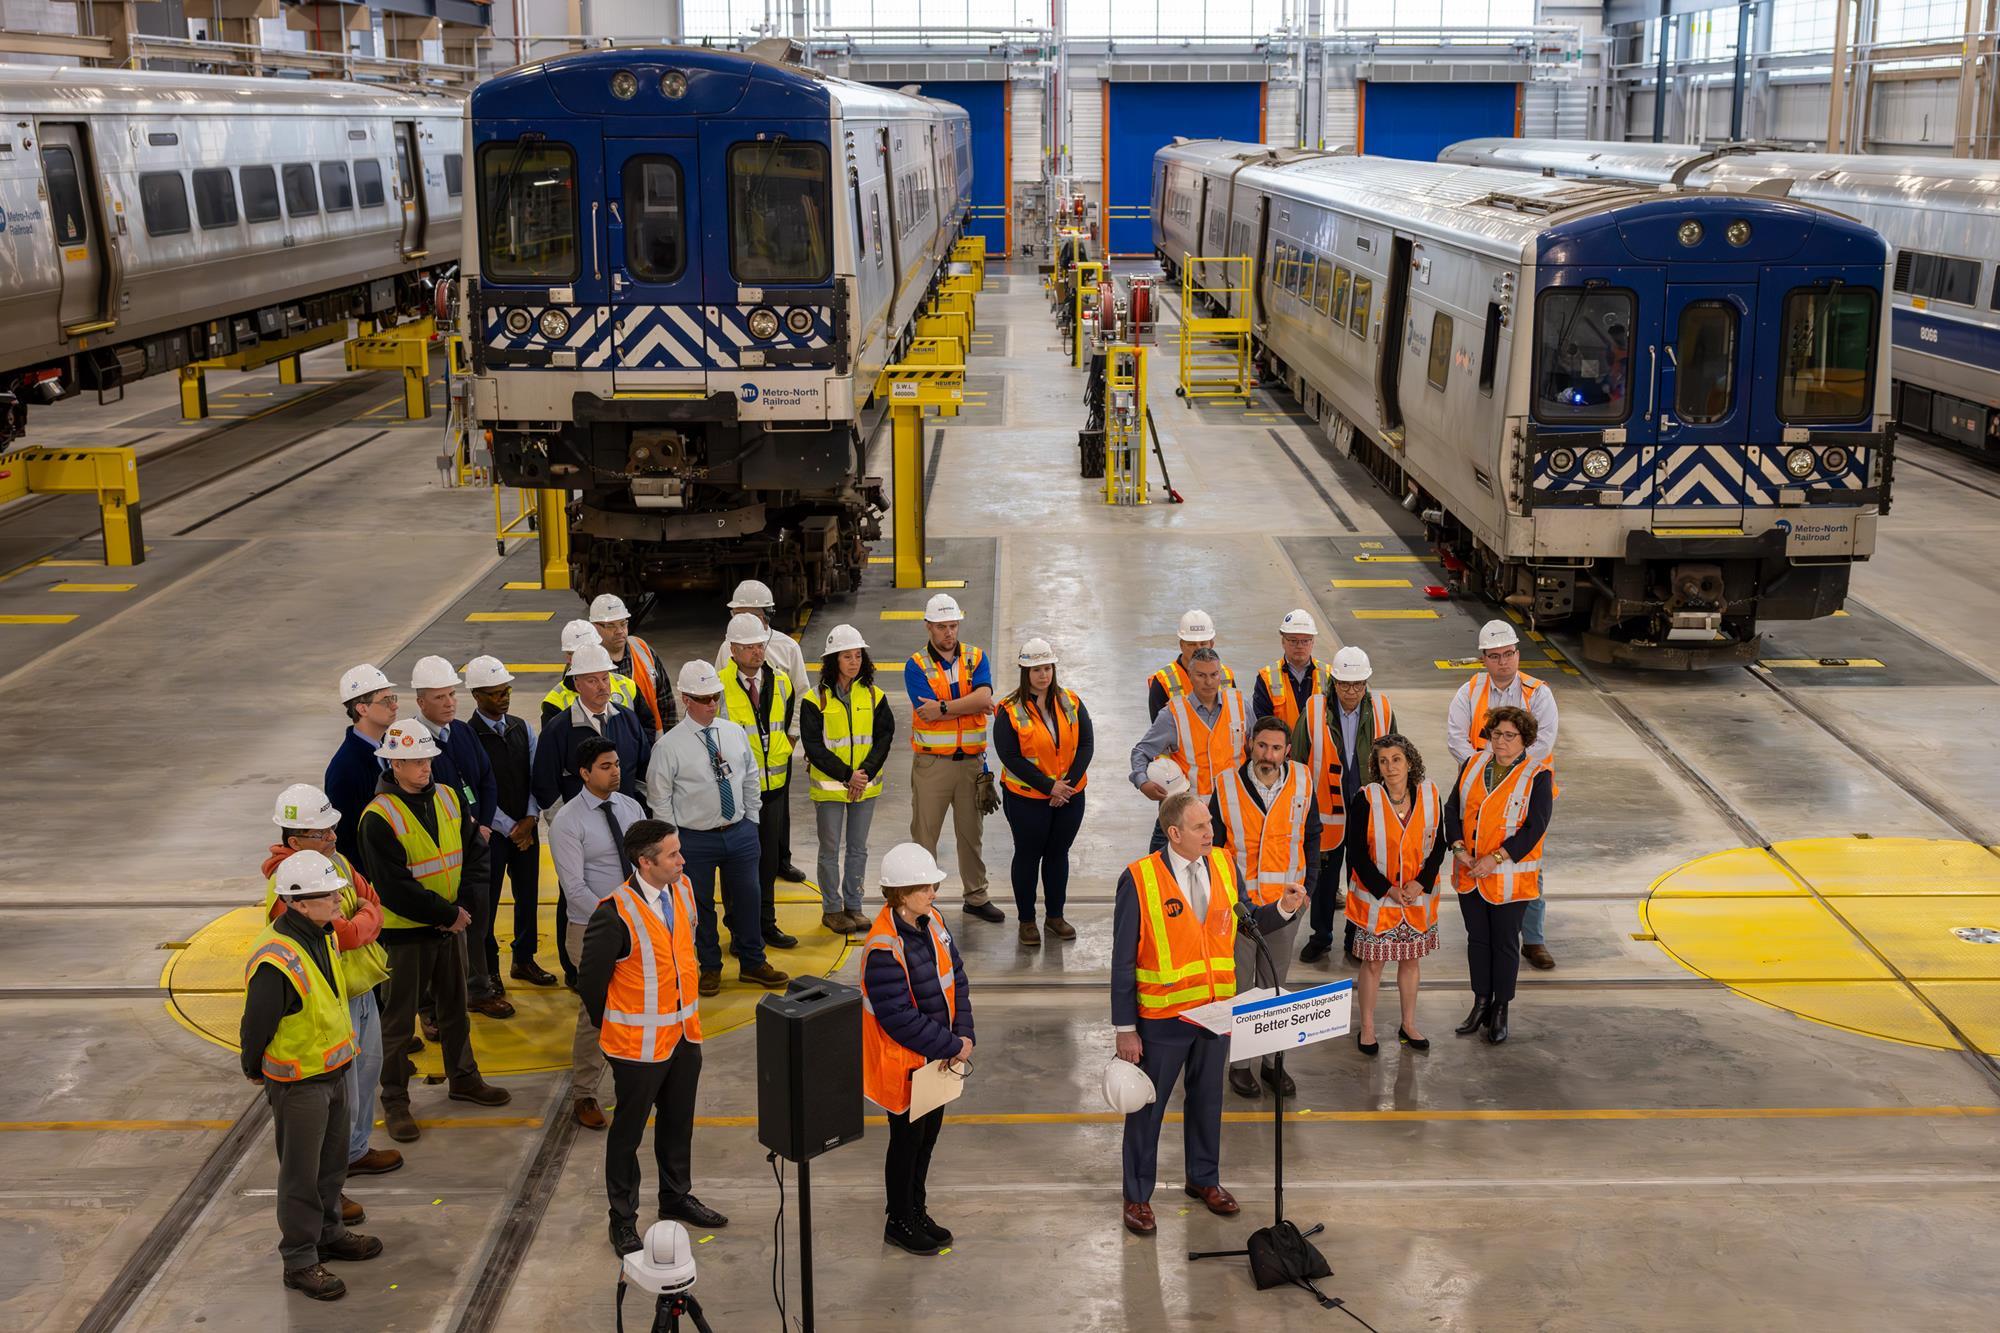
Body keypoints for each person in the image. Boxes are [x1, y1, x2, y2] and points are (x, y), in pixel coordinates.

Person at [1112, 793, 1307, 1237]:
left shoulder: (1222, 863)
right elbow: (1122, 958)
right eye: (1200, 827)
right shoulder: (1139, 879)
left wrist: (1283, 909)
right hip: (1162, 1019)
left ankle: (1203, 1178)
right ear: (1174, 833)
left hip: (1215, 1012)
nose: (1210, 833)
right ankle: (1137, 1195)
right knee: (1147, 1109)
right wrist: (1126, 1028)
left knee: (1207, 1101)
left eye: (1210, 825)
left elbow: (1244, 919)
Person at [579, 819, 727, 1256]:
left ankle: (675, 1196)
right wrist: (615, 1027)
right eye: (672, 854)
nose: (683, 859)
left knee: (678, 1122)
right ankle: (622, 1219)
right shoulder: (614, 913)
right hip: (636, 1047)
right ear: (646, 862)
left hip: (684, 1036)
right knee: (627, 1134)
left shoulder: (681, 891)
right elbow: (591, 983)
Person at [359, 719, 511, 1144]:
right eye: (414, 760)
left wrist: (461, 909)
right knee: (397, 1022)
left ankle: (463, 1078)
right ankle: (394, 1100)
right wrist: (447, 914)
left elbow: (475, 854)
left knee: (455, 1008)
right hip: (406, 934)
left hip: (451, 926)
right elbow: (393, 887)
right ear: (393, 763)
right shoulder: (378, 817)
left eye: (427, 757)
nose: (425, 766)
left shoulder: (447, 797)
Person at [240, 851, 383, 1301]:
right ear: (299, 903)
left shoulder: (321, 935)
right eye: (330, 897)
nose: (341, 903)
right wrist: (252, 1068)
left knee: (331, 1164)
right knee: (301, 1174)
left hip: (335, 1070)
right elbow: (256, 1024)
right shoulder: (275, 958)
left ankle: (328, 1232)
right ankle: (300, 1259)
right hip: (300, 1082)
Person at [260, 785, 401, 1228]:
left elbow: (372, 903)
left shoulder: (334, 861)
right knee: (330, 1106)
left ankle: (354, 1153)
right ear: (296, 839)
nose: (334, 837)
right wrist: (363, 920)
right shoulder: (287, 882)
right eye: (322, 832)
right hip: (329, 1003)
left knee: (363, 1078)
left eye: (332, 827)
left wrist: (363, 918)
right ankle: (328, 1191)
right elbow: (346, 934)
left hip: (359, 987)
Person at [646, 661, 790, 995]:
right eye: (704, 698)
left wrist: (750, 820)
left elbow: (750, 777)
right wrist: (674, 843)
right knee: (700, 907)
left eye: (716, 696)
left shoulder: (734, 732)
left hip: (739, 831)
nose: (712, 703)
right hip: (693, 840)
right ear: (685, 699)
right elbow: (660, 798)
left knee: (749, 899)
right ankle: (709, 966)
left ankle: (753, 962)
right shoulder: (669, 747)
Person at [861, 843, 974, 1256]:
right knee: (906, 1144)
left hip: (938, 1060)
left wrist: (964, 1032)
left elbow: (955, 977)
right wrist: (953, 1044)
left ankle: (917, 1208)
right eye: (925, 887)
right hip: (906, 1066)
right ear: (900, 894)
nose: (934, 893)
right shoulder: (883, 948)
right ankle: (899, 1220)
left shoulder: (934, 921)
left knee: (926, 1141)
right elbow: (898, 1018)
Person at [1210, 715, 1319, 1098]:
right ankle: (1240, 1068)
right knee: (1241, 990)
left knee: (1274, 988)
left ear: (1287, 751)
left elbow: (1312, 836)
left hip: (1286, 908)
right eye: (1261, 746)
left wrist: (1308, 891)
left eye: (1275, 748)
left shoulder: (1304, 780)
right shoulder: (1225, 785)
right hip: (1241, 910)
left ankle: (1273, 1063)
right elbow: (1212, 847)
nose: (1267, 755)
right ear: (1250, 745)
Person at [1445, 619, 1559, 970]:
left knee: (1526, 859)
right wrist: (1482, 771)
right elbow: (1455, 736)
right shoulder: (1470, 691)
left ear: (1517, 653)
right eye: (1494, 656)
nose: (1503, 662)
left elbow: (1544, 742)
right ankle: (1486, 920)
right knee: (1482, 853)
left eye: (1508, 654)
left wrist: (1512, 773)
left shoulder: (1538, 692)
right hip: (1481, 792)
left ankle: (1534, 939)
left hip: (1527, 792)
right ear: (1483, 659)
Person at [548, 736, 647, 1130]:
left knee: (637, 1003)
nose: (616, 771)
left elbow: (644, 864)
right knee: (595, 1012)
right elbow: (575, 889)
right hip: (591, 929)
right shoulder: (568, 822)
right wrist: (618, 919)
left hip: (635, 923)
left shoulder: (630, 807)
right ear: (585, 774)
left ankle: (635, 1078)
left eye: (617, 764)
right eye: (605, 766)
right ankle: (584, 1093)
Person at [1444, 705, 1554, 1046]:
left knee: (1505, 944)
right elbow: (1451, 810)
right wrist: (1459, 849)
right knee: (1478, 941)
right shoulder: (1473, 764)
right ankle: (1480, 1003)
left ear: (1525, 740)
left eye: (1510, 736)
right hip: (1470, 875)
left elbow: (1535, 828)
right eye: (1496, 734)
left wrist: (1495, 858)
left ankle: (1501, 1007)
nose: (1501, 741)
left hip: (1509, 881)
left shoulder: (1537, 776)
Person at [410, 655, 510, 1018]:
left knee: (478, 920)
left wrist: (483, 825)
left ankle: (478, 990)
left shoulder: (463, 732)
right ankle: (431, 1008)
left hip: (474, 845)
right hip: (438, 855)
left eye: (452, 694)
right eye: (439, 697)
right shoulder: (413, 743)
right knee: (438, 928)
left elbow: (486, 780)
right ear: (421, 702)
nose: (450, 702)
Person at [903, 591, 1003, 923]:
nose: (949, 633)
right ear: (928, 627)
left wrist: (946, 707)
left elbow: (984, 696)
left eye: (953, 626)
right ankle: (920, 902)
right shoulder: (916, 665)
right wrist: (971, 702)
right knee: (925, 837)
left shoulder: (977, 657)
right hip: (933, 766)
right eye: (942, 626)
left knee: (970, 835)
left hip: (971, 765)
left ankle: (976, 896)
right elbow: (927, 712)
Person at [1292, 645, 1396, 966]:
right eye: (1344, 684)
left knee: (1360, 876)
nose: (1351, 691)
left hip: (1367, 812)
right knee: (1324, 880)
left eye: (1358, 684)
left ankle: (1355, 937)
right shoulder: (1313, 710)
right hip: (1325, 813)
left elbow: (1394, 760)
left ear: (1366, 683)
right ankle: (1320, 936)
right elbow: (1296, 761)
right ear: (1333, 681)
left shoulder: (1381, 709)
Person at [1343, 734, 1446, 1055]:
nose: (1390, 767)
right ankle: (1369, 1027)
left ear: (1410, 762)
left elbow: (1439, 844)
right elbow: (1356, 852)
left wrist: (1421, 883)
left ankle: (1409, 1024)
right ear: (1376, 767)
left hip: (1416, 901)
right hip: (1378, 902)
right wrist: (1387, 889)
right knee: (1373, 965)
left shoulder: (1430, 794)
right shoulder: (1366, 799)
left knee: (1411, 962)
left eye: (1396, 759)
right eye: (1383, 761)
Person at [465, 656, 558, 990]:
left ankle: (524, 959)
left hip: (526, 831)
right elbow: (472, 791)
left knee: (528, 896)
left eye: (506, 691)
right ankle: (489, 970)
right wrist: (510, 827)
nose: (503, 698)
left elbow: (536, 775)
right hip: (491, 836)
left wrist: (531, 819)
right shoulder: (468, 737)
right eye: (493, 693)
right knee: (486, 905)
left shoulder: (522, 727)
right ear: (476, 695)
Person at [993, 637, 1093, 946]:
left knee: (1057, 855)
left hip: (1069, 797)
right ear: (1025, 671)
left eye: (1047, 668)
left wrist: (1067, 786)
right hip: (1027, 800)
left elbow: (1086, 744)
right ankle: (1026, 921)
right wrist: (1050, 786)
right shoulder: (1009, 710)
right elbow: (1010, 756)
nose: (1043, 675)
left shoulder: (1071, 702)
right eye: (1036, 669)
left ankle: (1055, 917)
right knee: (1027, 856)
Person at [799, 624, 893, 935]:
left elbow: (883, 737)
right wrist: (847, 775)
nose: (853, 662)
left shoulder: (874, 695)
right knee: (829, 849)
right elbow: (814, 746)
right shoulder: (815, 700)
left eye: (857, 656)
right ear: (833, 661)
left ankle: (854, 905)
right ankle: (832, 909)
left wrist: (862, 773)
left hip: (863, 787)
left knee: (858, 848)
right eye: (846, 656)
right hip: (830, 789)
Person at [714, 579, 811, 881]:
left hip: (777, 747)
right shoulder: (726, 648)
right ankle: (751, 863)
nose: (738, 618)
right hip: (742, 752)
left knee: (779, 812)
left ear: (764, 614)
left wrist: (792, 737)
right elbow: (721, 693)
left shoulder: (787, 647)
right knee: (746, 812)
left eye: (745, 612)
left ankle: (781, 860)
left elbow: (801, 693)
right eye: (735, 613)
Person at [719, 612, 800, 953]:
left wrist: (784, 751)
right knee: (738, 862)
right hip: (738, 792)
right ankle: (739, 928)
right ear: (733, 649)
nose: (757, 652)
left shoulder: (780, 681)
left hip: (774, 788)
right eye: (749, 646)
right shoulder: (719, 686)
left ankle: (767, 923)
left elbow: (787, 720)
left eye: (760, 645)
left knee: (767, 862)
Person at [1128, 647, 1247, 854]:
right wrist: (1142, 782)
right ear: (1190, 676)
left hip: (1233, 811)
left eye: (1214, 675)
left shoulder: (1240, 706)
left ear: (1221, 674)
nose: (1209, 682)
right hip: (1190, 814)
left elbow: (1257, 745)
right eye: (1201, 675)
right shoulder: (1172, 715)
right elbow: (1141, 751)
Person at [532, 642, 654, 813]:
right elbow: (546, 784)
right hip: (581, 827)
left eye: (605, 678)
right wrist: (565, 825)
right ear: (577, 684)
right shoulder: (558, 729)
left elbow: (644, 771)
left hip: (627, 820)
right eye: (592, 680)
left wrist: (640, 813)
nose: (602, 686)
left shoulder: (628, 719)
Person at [325, 664, 398, 867]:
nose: (394, 706)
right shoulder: (345, 767)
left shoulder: (388, 751)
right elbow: (346, 836)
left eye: (393, 698)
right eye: (385, 701)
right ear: (362, 708)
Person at [590, 593, 675, 735]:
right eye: (610, 626)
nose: (619, 631)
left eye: (623, 624)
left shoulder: (642, 649)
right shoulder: (586, 662)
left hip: (651, 744)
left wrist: (670, 739)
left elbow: (666, 700)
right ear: (594, 627)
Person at [1147, 609, 1237, 721]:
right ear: (1181, 645)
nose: (1198, 649)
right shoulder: (1162, 681)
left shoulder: (1226, 676)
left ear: (1211, 644)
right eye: (1192, 644)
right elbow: (1159, 730)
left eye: (1203, 643)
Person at [544, 619, 639, 722]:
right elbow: (551, 737)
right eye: (581, 654)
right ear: (569, 658)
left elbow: (647, 726)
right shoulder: (554, 702)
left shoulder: (627, 686)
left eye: (592, 651)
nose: (589, 658)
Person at [1252, 608, 1328, 729]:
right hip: (1281, 747)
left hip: (1318, 748)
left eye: (1305, 641)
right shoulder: (1266, 678)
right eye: (1293, 641)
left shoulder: (1329, 676)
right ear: (1283, 642)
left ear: (1313, 642)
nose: (1299, 646)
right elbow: (1262, 724)